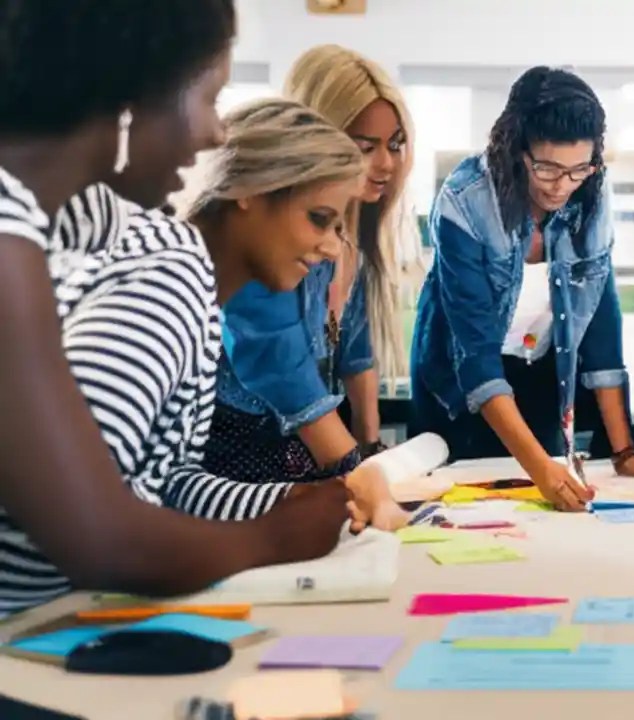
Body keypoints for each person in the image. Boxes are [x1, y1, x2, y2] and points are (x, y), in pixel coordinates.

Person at [0, 0, 347, 615]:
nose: (217, 134)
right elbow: (99, 534)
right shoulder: (168, 267)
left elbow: (154, 489)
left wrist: (289, 502)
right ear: (134, 90)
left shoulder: (48, 221)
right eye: (209, 97)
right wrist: (270, 538)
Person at [56, 99, 397, 531]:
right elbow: (74, 493)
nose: (332, 248)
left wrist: (318, 498)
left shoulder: (202, 301)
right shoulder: (167, 282)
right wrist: (263, 544)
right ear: (249, 194)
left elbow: (171, 486)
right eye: (318, 219)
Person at [410, 66, 634, 513]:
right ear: (515, 149)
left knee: (538, 520)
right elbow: (475, 356)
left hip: (540, 374)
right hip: (458, 391)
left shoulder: (590, 195)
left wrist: (625, 454)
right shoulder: (465, 202)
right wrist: (539, 469)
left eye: (577, 170)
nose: (562, 186)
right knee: (466, 513)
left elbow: (601, 320)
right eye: (547, 168)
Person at [207, 45, 421, 487]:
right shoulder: (263, 251)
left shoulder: (348, 242)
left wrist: (370, 448)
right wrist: (362, 478)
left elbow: (356, 355)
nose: (385, 163)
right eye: (365, 147)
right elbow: (287, 374)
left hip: (297, 454)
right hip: (238, 448)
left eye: (395, 144)